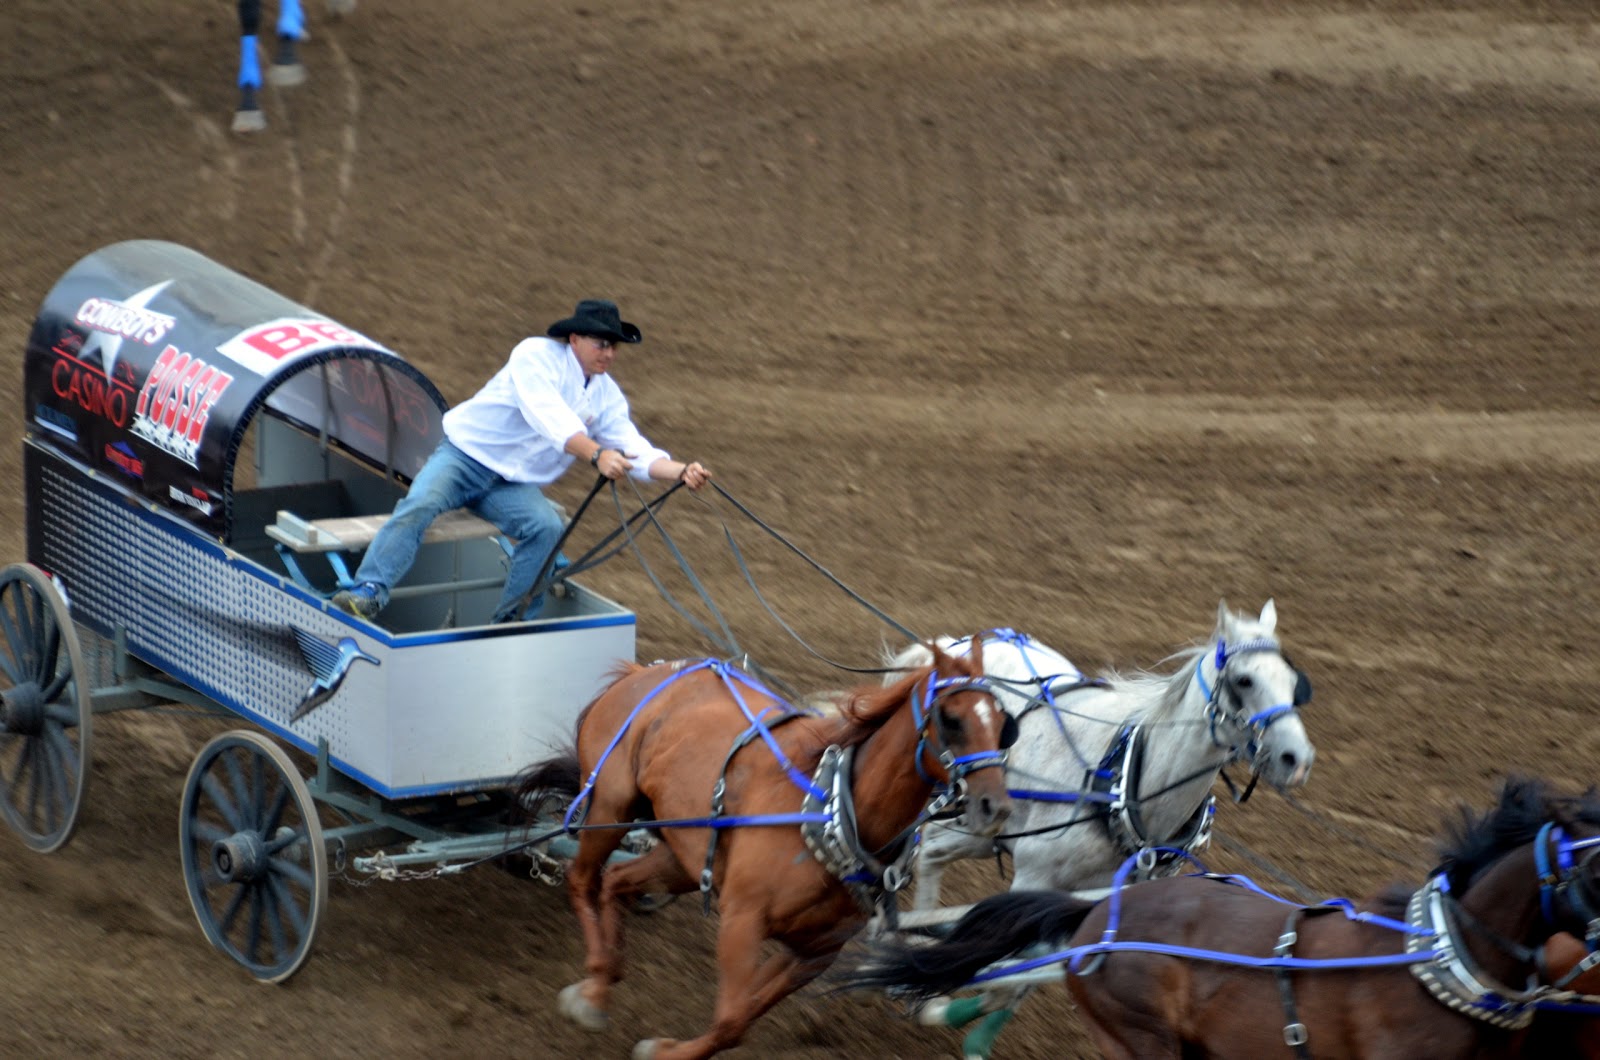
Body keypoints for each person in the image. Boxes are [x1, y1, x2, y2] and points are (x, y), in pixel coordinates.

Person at [331, 299, 712, 624]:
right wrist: (596, 454)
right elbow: (547, 416)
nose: (609, 353)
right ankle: (369, 590)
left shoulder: (606, 395)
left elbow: (632, 447)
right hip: (465, 458)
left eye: (614, 347)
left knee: (546, 527)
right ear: (575, 339)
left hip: (511, 483)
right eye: (602, 344)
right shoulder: (534, 356)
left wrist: (680, 471)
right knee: (421, 503)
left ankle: (511, 624)